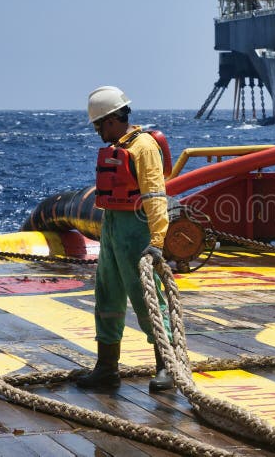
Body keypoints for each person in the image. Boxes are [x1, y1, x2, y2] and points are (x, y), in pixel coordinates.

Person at [77, 85, 173, 393]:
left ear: (111, 119)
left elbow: (156, 195)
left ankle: (167, 366)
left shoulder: (142, 147)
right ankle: (106, 368)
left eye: (98, 125)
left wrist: (158, 240)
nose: (97, 131)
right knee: (107, 296)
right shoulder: (119, 145)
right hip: (113, 228)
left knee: (147, 299)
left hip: (137, 229)